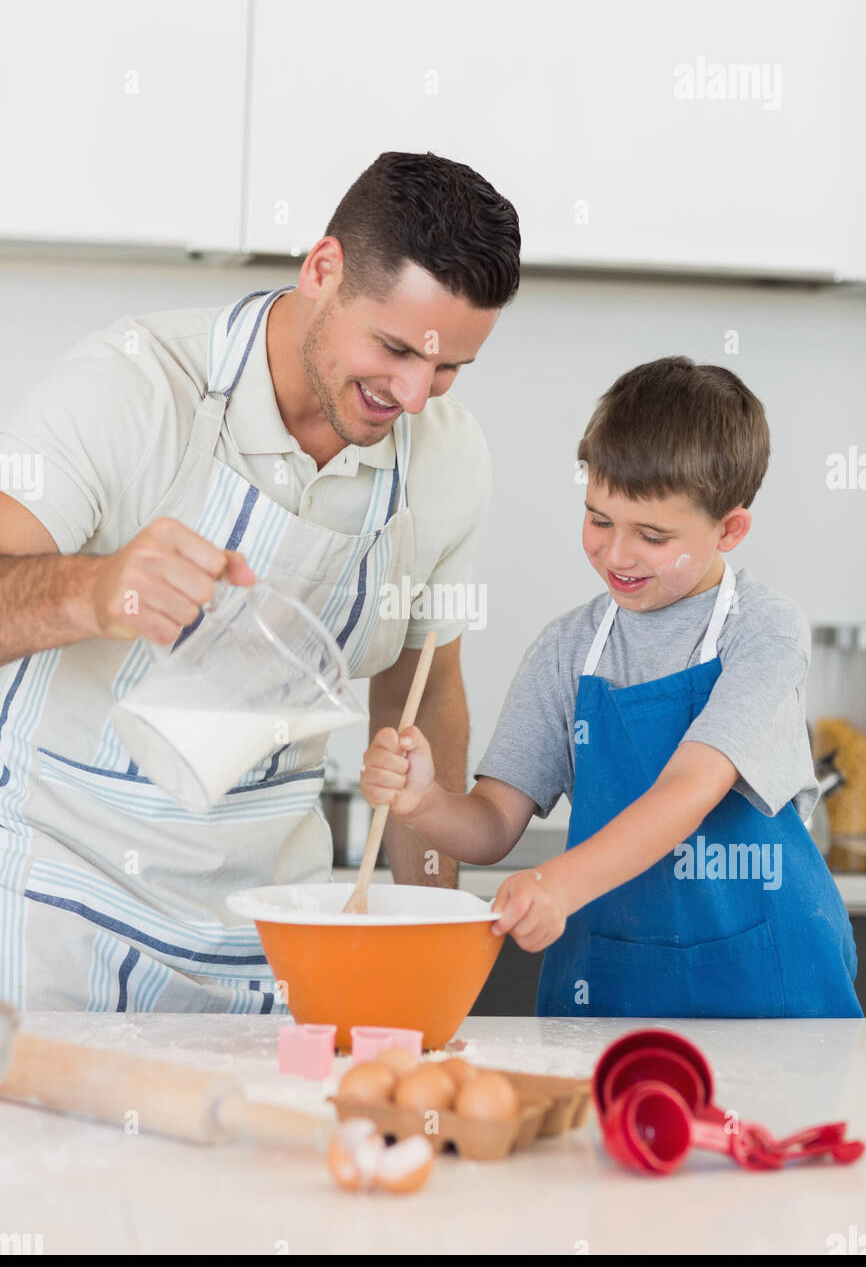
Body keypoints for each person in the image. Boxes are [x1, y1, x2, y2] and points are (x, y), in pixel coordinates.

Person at [0, 151, 521, 1012]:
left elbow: (421, 699)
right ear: (323, 271)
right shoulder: (133, 387)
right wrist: (95, 592)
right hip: (58, 916)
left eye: (448, 369)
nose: (416, 396)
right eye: (394, 349)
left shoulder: (448, 459)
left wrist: (429, 935)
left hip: (277, 942)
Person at [361, 356, 863, 1018]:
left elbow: (688, 790)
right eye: (600, 519)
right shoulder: (566, 651)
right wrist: (424, 801)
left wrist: (559, 884)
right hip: (610, 992)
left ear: (730, 529)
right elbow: (491, 826)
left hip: (768, 990)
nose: (617, 554)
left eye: (652, 535)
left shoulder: (763, 631)